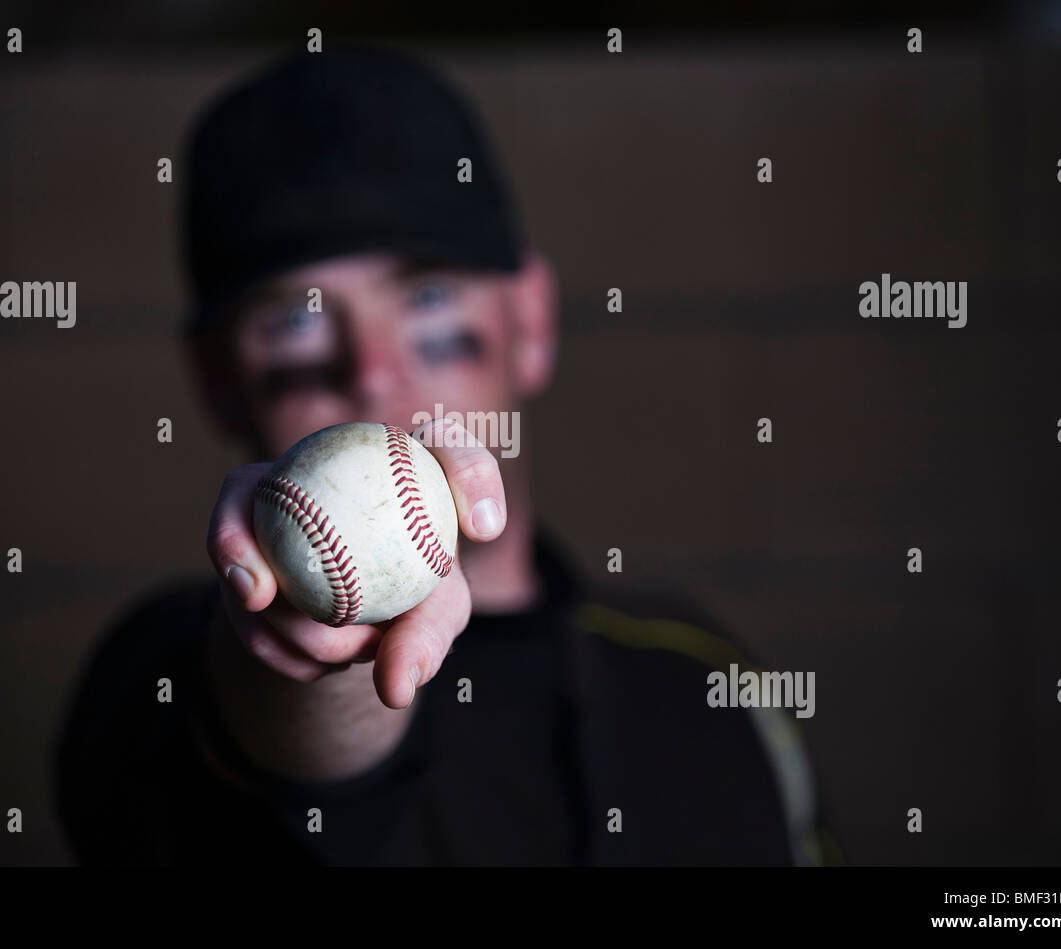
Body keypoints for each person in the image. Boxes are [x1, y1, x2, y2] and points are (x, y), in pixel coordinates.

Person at [54, 45, 841, 866]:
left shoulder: (698, 674)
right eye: (296, 319)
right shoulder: (157, 678)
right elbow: (266, 740)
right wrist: (309, 649)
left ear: (530, 321)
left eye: (427, 297)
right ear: (218, 382)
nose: (373, 373)